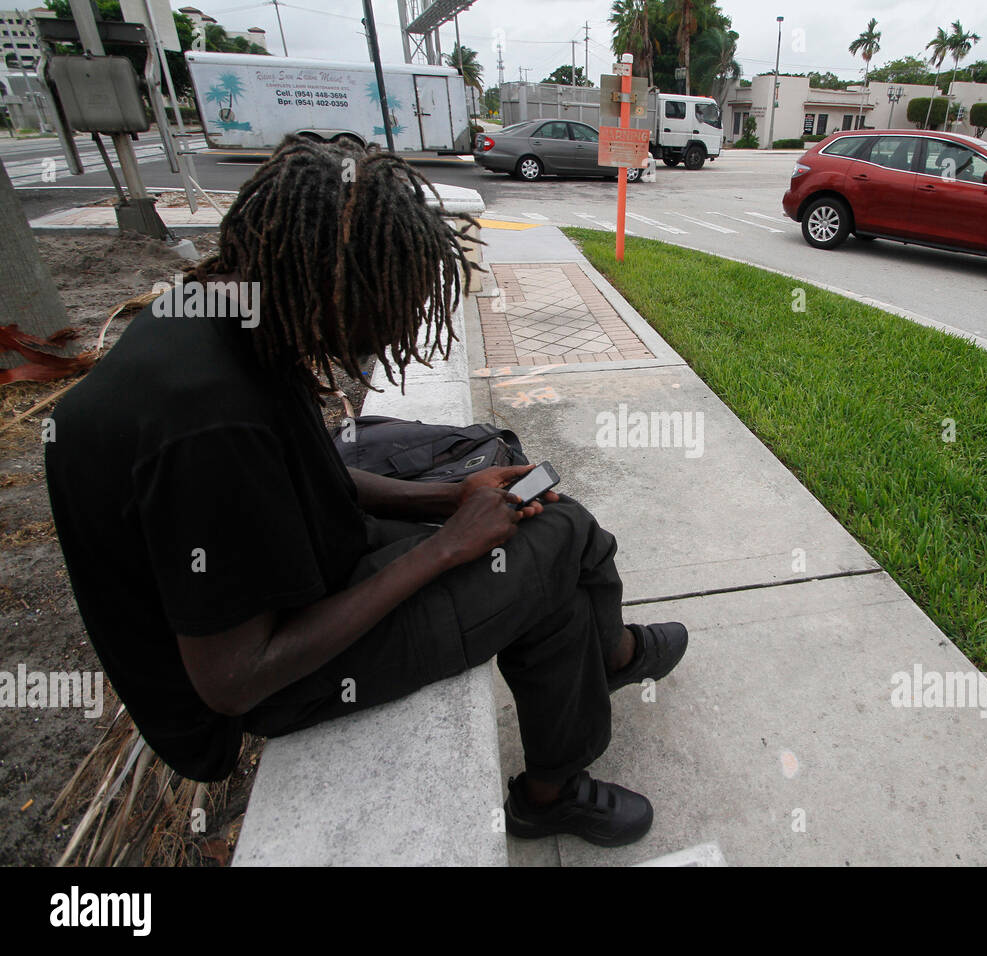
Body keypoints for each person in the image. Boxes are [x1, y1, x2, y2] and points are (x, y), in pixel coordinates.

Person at [45, 135, 687, 848]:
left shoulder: (229, 306)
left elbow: (310, 473)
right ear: (328, 287)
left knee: (515, 499)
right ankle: (593, 700)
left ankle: (587, 708)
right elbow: (235, 680)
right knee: (564, 535)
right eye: (387, 306)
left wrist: (446, 500)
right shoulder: (205, 427)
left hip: (315, 564)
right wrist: (445, 548)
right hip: (286, 672)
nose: (400, 322)